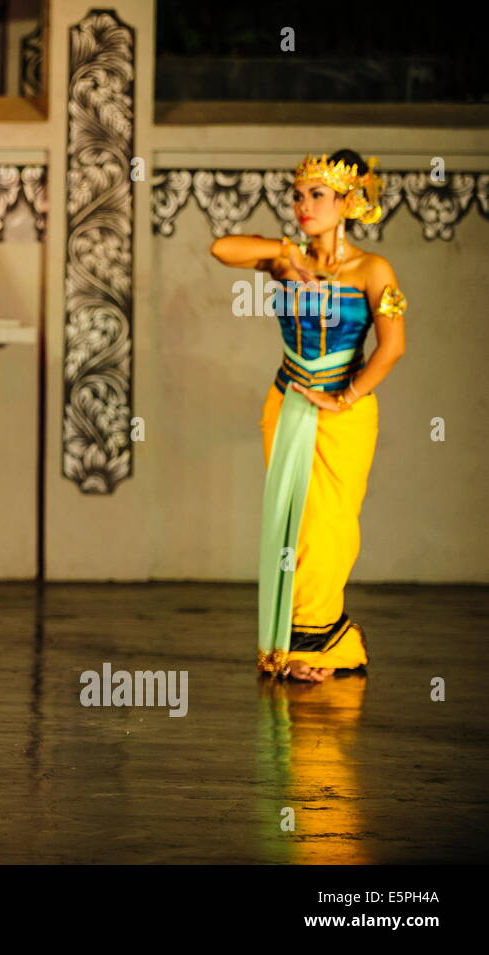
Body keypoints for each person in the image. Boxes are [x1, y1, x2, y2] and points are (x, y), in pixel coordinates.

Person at [210, 150, 407, 682]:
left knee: (329, 527)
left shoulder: (373, 269)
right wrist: (284, 252)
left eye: (317, 195)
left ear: (347, 203)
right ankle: (296, 641)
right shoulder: (285, 259)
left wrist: (345, 398)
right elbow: (220, 248)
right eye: (298, 195)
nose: (303, 205)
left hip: (344, 413)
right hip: (288, 403)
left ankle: (320, 643)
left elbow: (392, 348)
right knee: (289, 524)